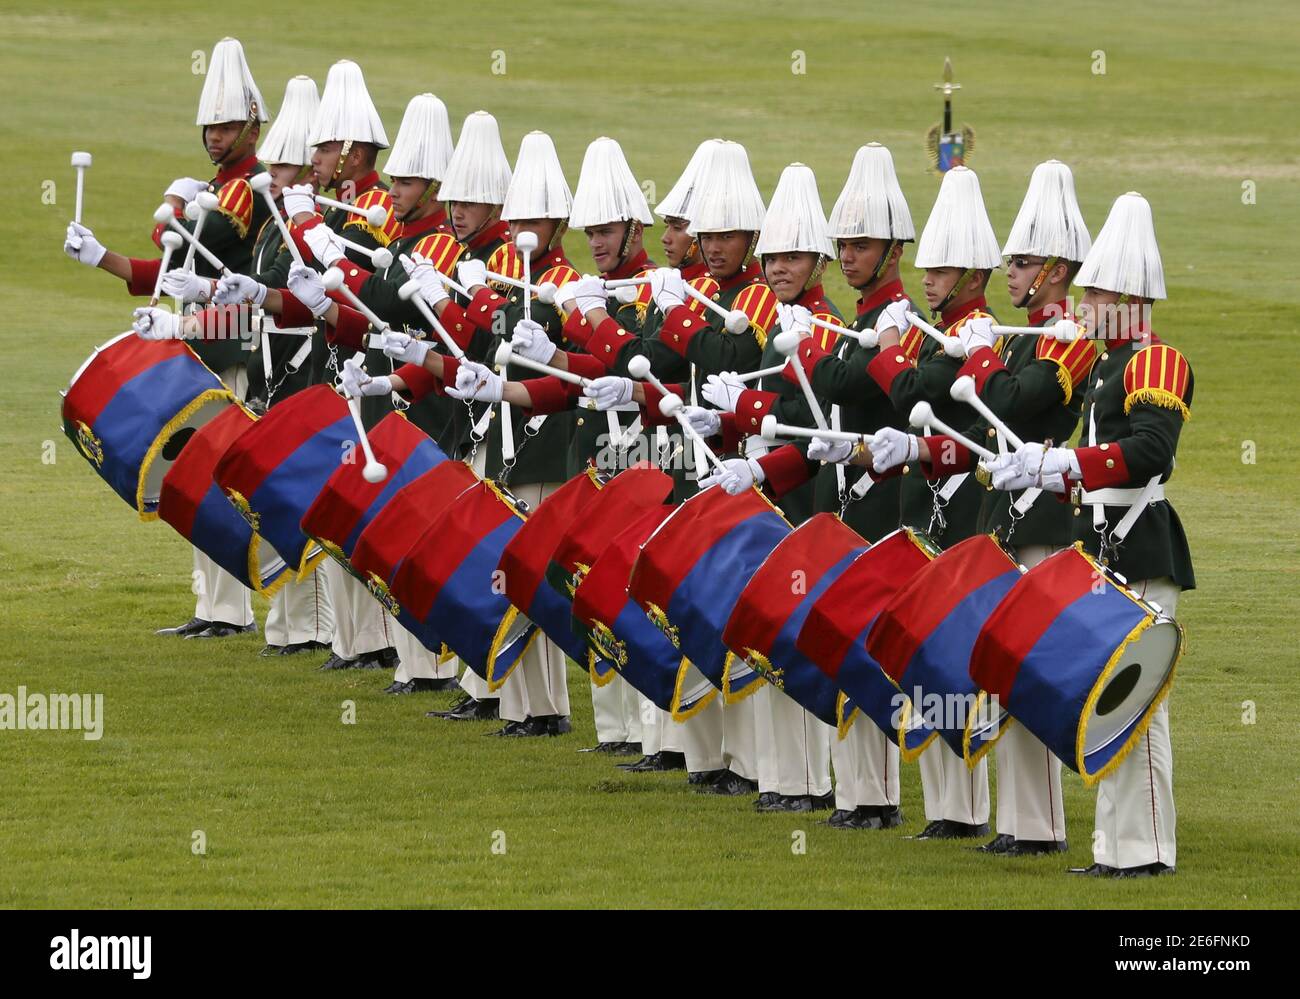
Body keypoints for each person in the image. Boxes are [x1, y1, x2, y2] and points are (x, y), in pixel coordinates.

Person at [865, 160, 1096, 853]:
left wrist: (982, 360)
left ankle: (1039, 824)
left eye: (1024, 262)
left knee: (1025, 666)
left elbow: (1015, 404)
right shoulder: (1011, 338)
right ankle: (1008, 819)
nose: (1013, 273)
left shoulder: (1069, 337)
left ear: (1057, 269)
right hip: (1004, 517)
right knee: (991, 663)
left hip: (1044, 522)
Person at [988, 192, 1192, 878]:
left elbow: (1152, 451)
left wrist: (1068, 462)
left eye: (1099, 290)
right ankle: (1116, 849)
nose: (1086, 300)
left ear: (1130, 296)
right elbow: (1095, 467)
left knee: (1140, 706)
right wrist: (1044, 471)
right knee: (1111, 701)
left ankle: (1148, 850)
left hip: (1143, 544)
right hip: (1104, 549)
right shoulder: (1107, 363)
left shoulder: (1154, 360)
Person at [65, 36, 270, 641]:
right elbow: (174, 268)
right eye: (209, 125)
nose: (214, 135)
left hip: (232, 344)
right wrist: (102, 257)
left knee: (222, 474)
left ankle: (232, 610)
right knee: (195, 474)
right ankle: (212, 607)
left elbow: (182, 239)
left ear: (252, 127)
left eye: (226, 126)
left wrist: (177, 201)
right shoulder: (222, 183)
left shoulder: (249, 187)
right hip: (198, 342)